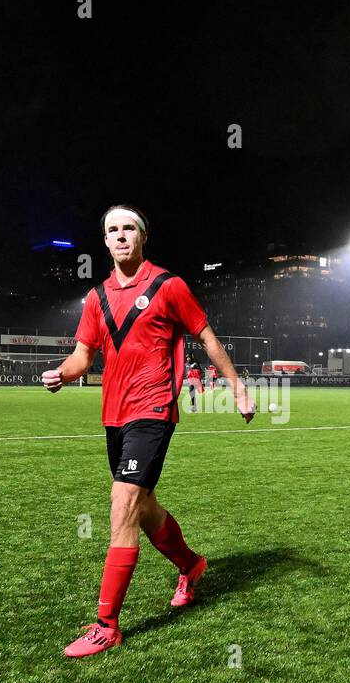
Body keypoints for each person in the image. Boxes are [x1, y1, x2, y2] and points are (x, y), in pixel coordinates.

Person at [42, 205, 252, 658]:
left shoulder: (168, 286)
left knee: (123, 502)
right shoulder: (97, 297)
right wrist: (62, 372)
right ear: (104, 241)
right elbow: (83, 356)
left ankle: (106, 624)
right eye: (112, 230)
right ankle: (192, 566)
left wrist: (238, 389)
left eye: (128, 229)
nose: (120, 236)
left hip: (153, 409)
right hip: (114, 415)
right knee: (145, 505)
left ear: (142, 237)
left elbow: (207, 337)